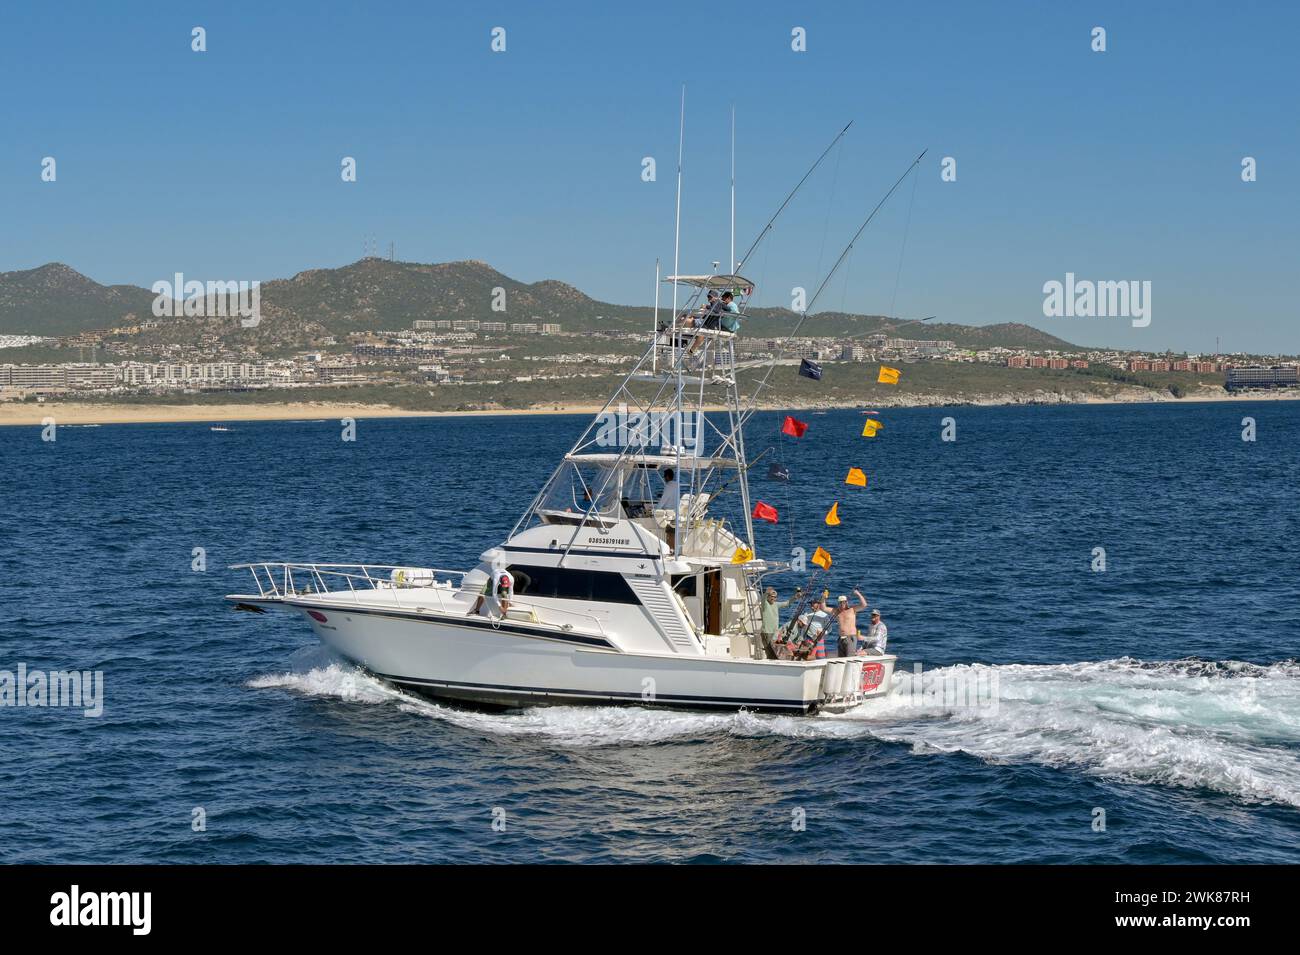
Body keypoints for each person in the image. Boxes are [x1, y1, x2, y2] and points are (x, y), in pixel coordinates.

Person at [468, 552, 513, 617]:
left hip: (502, 578)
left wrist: (510, 601)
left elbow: (511, 591)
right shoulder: (496, 578)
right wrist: (499, 606)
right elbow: (494, 594)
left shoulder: (511, 578)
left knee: (504, 594)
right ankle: (477, 610)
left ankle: (504, 613)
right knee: (482, 593)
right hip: (491, 580)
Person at [760, 585, 799, 655]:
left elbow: (787, 603)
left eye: (775, 597)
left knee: (774, 651)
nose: (773, 598)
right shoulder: (765, 604)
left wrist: (795, 597)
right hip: (767, 632)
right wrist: (766, 592)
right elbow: (763, 599)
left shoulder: (776, 604)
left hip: (775, 632)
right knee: (769, 651)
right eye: (771, 596)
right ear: (768, 597)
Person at [833, 590, 869, 657]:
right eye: (840, 602)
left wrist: (858, 594)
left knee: (850, 658)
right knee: (841, 659)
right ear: (838, 603)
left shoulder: (852, 609)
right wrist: (823, 597)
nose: (842, 604)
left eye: (844, 602)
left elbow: (864, 605)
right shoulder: (837, 611)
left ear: (846, 602)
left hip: (850, 638)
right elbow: (823, 608)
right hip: (840, 639)